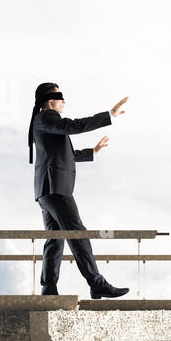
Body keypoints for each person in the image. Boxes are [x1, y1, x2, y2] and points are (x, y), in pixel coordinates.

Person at [27, 82, 130, 298]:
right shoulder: (47, 116)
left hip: (47, 189)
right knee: (77, 233)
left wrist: (92, 151)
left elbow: (66, 156)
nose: (64, 101)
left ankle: (49, 288)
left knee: (55, 238)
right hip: (55, 188)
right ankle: (96, 282)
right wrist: (108, 115)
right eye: (60, 96)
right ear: (49, 100)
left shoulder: (45, 122)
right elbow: (73, 126)